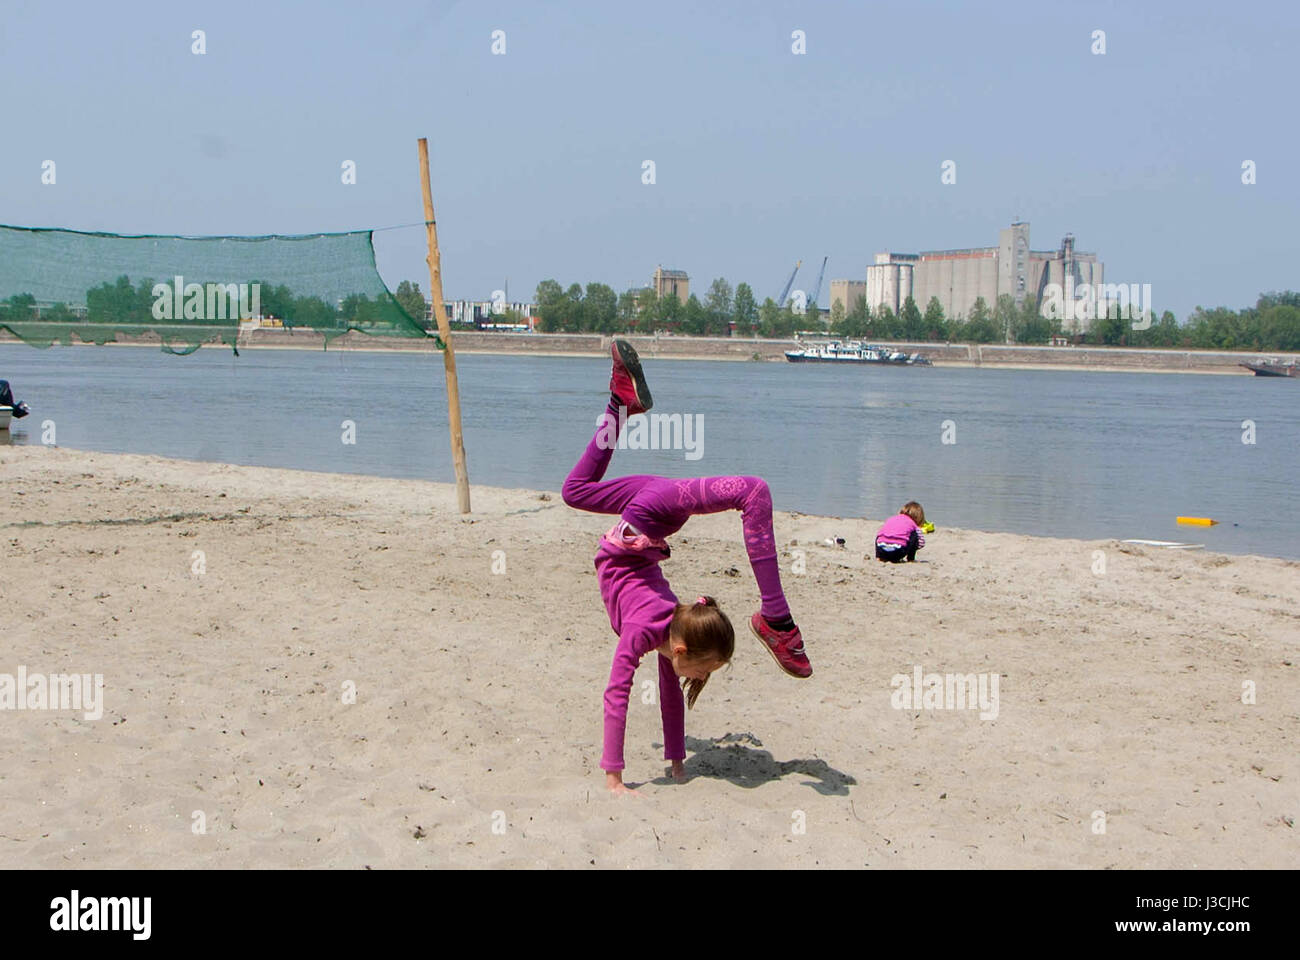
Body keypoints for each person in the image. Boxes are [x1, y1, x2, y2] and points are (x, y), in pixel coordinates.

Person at [562, 340, 810, 794]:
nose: (702, 680)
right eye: (704, 671)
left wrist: (678, 762)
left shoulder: (667, 631)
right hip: (651, 513)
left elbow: (669, 700)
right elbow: (616, 695)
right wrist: (613, 776)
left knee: (575, 491)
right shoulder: (649, 633)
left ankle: (620, 401)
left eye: (706, 675)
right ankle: (776, 617)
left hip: (647, 519)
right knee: (753, 492)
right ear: (682, 651)